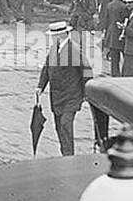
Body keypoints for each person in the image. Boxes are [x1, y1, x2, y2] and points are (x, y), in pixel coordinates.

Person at [36, 22, 92, 156]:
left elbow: (87, 71)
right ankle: (64, 154)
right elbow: (46, 69)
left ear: (61, 34)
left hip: (72, 96)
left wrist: (86, 93)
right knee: (59, 127)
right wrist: (40, 86)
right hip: (56, 97)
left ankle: (69, 156)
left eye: (53, 35)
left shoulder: (74, 50)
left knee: (66, 125)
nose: (52, 38)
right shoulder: (54, 49)